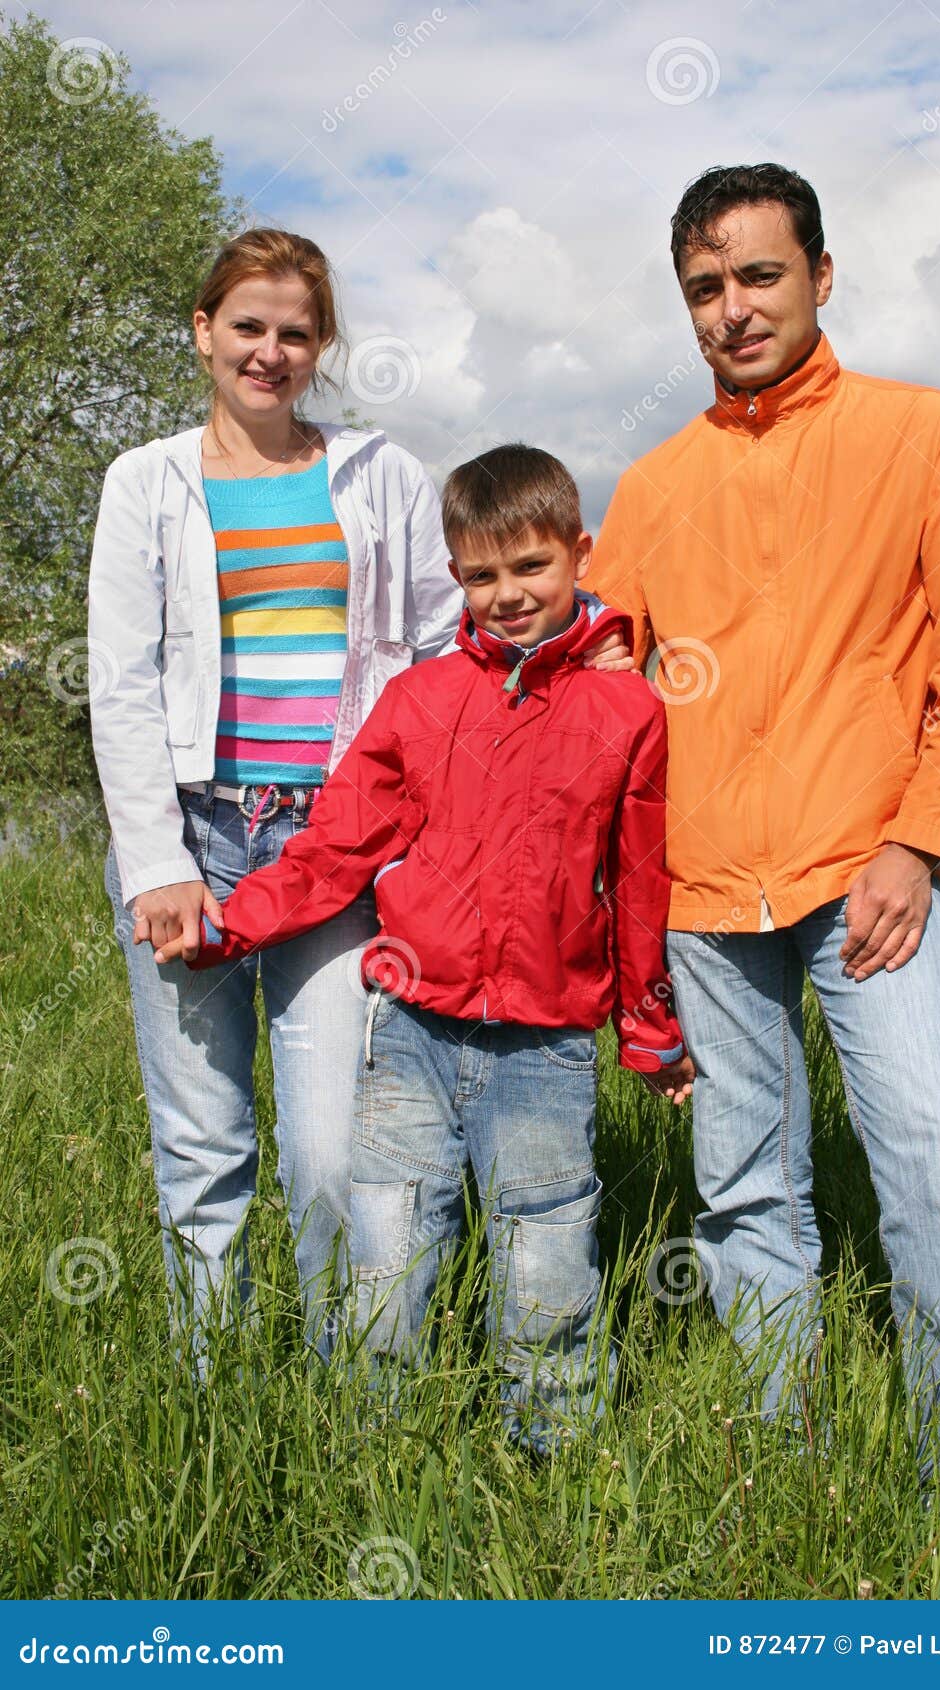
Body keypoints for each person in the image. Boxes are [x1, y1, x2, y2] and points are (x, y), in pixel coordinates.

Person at [89, 230, 632, 1369]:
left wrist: (584, 650)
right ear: (203, 330)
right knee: (201, 1143)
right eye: (247, 325)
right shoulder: (147, 481)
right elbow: (121, 680)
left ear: (321, 344)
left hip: (334, 842)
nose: (269, 351)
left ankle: (346, 1387)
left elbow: (457, 634)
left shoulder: (376, 473)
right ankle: (215, 1377)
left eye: (295, 332)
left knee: (334, 1149)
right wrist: (157, 863)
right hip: (192, 836)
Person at [585, 164, 940, 1476]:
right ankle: (787, 1458)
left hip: (868, 877)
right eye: (702, 288)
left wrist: (918, 842)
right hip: (703, 894)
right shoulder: (650, 486)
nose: (730, 308)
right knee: (741, 1188)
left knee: (935, 1157)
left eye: (758, 275)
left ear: (820, 276)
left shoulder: (922, 431)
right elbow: (598, 703)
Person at [156, 443, 695, 1451]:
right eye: (482, 575)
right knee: (388, 1253)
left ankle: (556, 1456)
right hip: (409, 1030)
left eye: (531, 566)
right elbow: (336, 847)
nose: (508, 594)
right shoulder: (417, 701)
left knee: (546, 1256)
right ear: (454, 576)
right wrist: (231, 924)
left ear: (579, 554)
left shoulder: (628, 710)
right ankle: (373, 1447)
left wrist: (649, 1029)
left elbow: (638, 884)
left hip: (544, 1043)